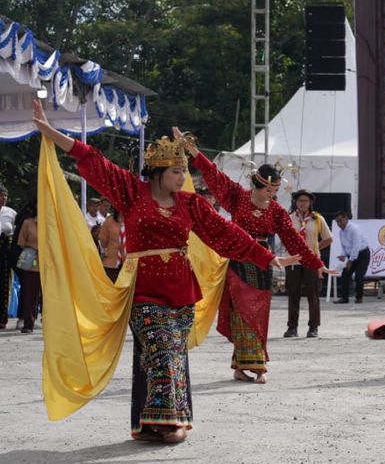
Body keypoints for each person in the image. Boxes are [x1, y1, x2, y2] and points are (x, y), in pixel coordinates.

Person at [32, 100, 296, 442]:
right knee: (160, 348)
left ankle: (157, 421)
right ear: (158, 171)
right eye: (177, 171)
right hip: (142, 288)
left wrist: (263, 255)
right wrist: (49, 131)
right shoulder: (130, 192)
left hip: (181, 290)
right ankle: (167, 422)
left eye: (185, 171)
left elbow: (224, 233)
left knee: (172, 352)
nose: (183, 177)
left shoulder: (189, 203)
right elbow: (92, 159)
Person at [181, 131, 327, 384]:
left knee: (259, 311)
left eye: (277, 189)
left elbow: (294, 241)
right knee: (240, 311)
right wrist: (193, 152)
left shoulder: (278, 212)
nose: (273, 194)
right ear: (258, 185)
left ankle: (242, 366)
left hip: (264, 264)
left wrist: (316, 264)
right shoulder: (237, 197)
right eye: (270, 189)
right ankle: (256, 366)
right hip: (239, 260)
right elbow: (215, 177)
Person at [285, 190, 332, 338]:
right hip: (294, 261)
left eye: (306, 201)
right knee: (293, 295)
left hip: (312, 262)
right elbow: (284, 237)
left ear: (310, 203)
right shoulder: (289, 218)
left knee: (313, 295)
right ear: (296, 203)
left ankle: (313, 327)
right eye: (300, 201)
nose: (303, 203)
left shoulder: (317, 219)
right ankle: (292, 327)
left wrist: (314, 248)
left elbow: (328, 238)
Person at [333, 210, 370, 303]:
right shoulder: (341, 232)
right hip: (352, 255)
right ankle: (345, 298)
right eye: (337, 222)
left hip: (362, 254)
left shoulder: (354, 228)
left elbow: (356, 246)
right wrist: (343, 255)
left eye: (340, 221)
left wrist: (350, 260)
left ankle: (359, 297)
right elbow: (344, 246)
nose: (339, 224)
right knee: (345, 274)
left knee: (359, 276)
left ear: (346, 219)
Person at [15, 204, 39, 334]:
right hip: (32, 261)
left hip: (48, 263)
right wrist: (32, 249)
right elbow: (21, 242)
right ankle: (28, 323)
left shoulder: (52, 223)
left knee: (48, 295)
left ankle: (48, 321)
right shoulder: (27, 223)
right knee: (30, 293)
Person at [0, 183, 14, 329]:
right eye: (1, 195)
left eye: (5, 195)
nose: (3, 198)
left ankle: (2, 318)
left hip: (4, 251)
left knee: (4, 284)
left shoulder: (11, 213)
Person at [98, 208, 125, 283]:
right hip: (111, 263)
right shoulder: (109, 221)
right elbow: (103, 241)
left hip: (129, 264)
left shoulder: (133, 219)